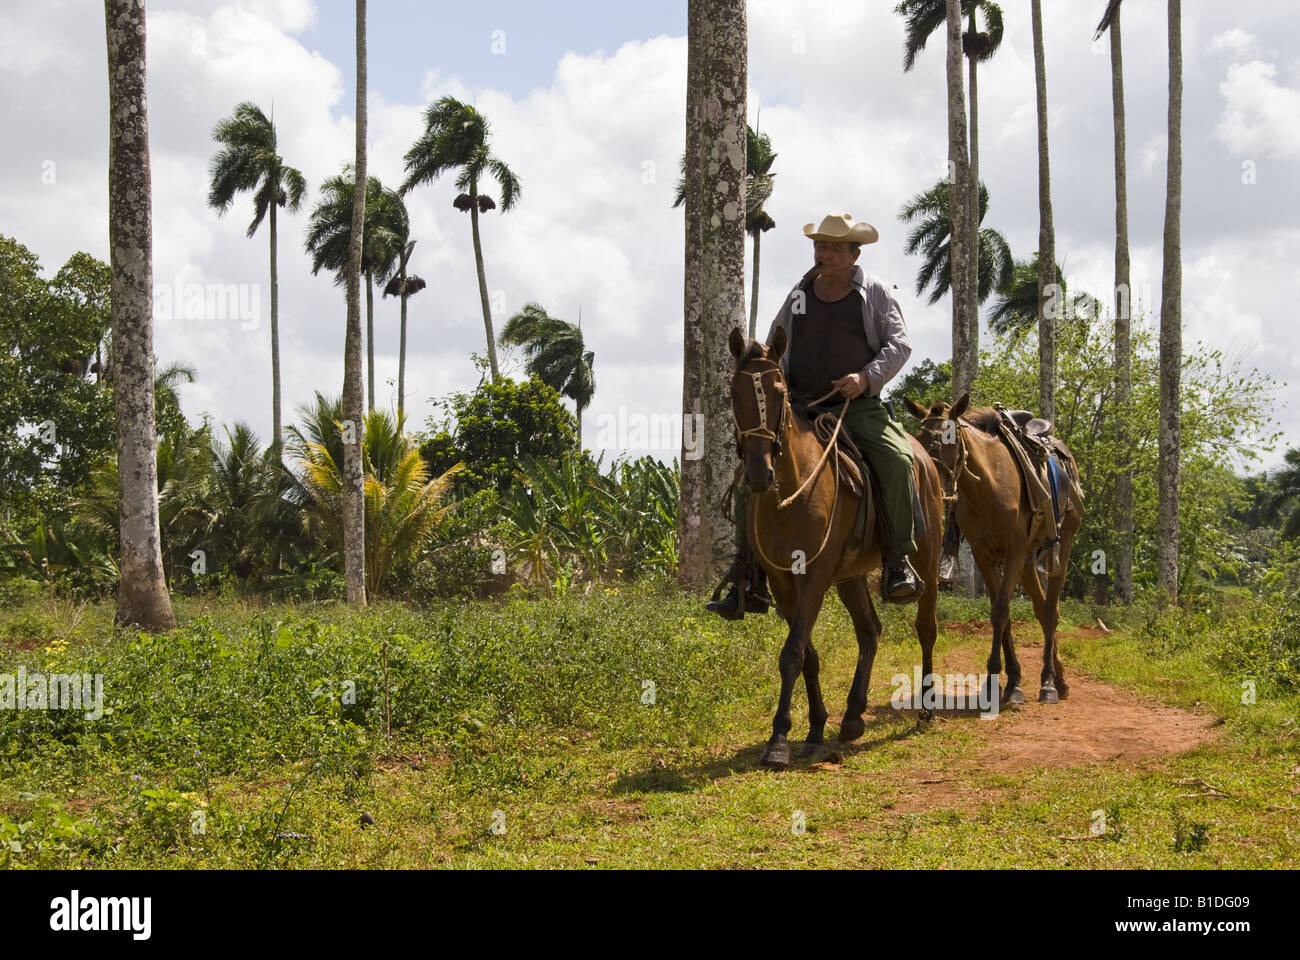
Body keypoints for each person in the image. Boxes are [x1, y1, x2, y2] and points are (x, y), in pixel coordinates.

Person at [707, 213, 923, 619]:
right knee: (751, 476)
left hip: (855, 407)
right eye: (819, 246)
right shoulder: (799, 296)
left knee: (897, 460)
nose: (823, 254)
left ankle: (897, 559)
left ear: (854, 255)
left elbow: (900, 345)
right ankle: (747, 573)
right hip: (801, 407)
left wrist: (865, 377)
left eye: (834, 248)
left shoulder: (874, 292)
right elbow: (775, 350)